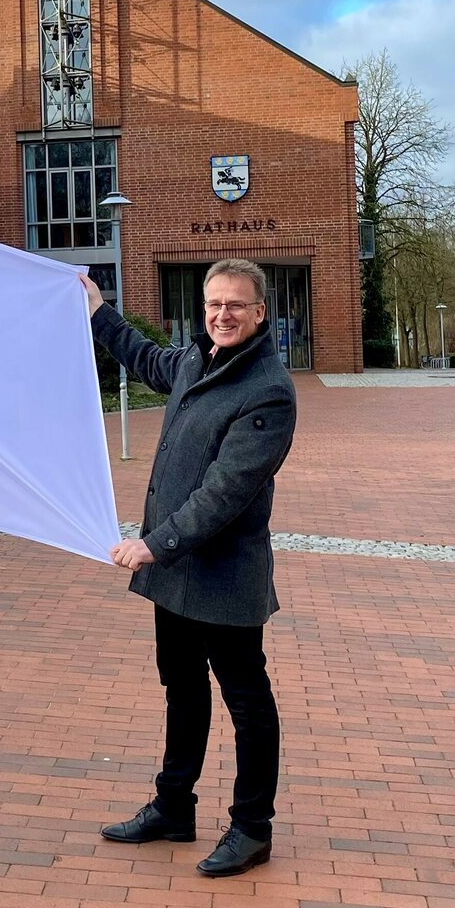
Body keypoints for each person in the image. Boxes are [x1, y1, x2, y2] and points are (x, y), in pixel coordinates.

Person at [84, 258, 296, 876]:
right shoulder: (195, 362)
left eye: (235, 306)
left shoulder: (268, 390)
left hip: (223, 575)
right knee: (181, 686)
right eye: (213, 306)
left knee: (247, 700)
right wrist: (98, 311)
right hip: (175, 572)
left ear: (260, 313)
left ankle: (253, 828)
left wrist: (154, 545)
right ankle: (174, 806)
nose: (222, 316)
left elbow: (227, 491)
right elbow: (145, 357)